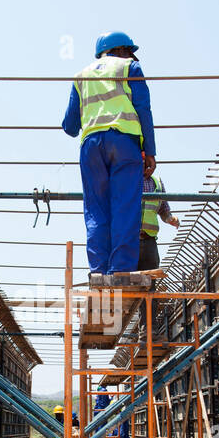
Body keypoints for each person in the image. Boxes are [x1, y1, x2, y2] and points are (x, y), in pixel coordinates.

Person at [62, 31, 157, 280]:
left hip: (91, 145)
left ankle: (98, 270)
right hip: (125, 142)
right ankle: (120, 270)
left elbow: (69, 126)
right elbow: (143, 110)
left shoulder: (81, 76)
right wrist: (151, 152)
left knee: (95, 208)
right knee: (125, 205)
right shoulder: (130, 67)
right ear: (123, 50)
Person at [138, 173, 179, 271]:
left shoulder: (157, 182)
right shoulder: (124, 176)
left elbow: (163, 209)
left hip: (149, 241)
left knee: (149, 281)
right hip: (128, 240)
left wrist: (170, 218)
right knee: (126, 280)